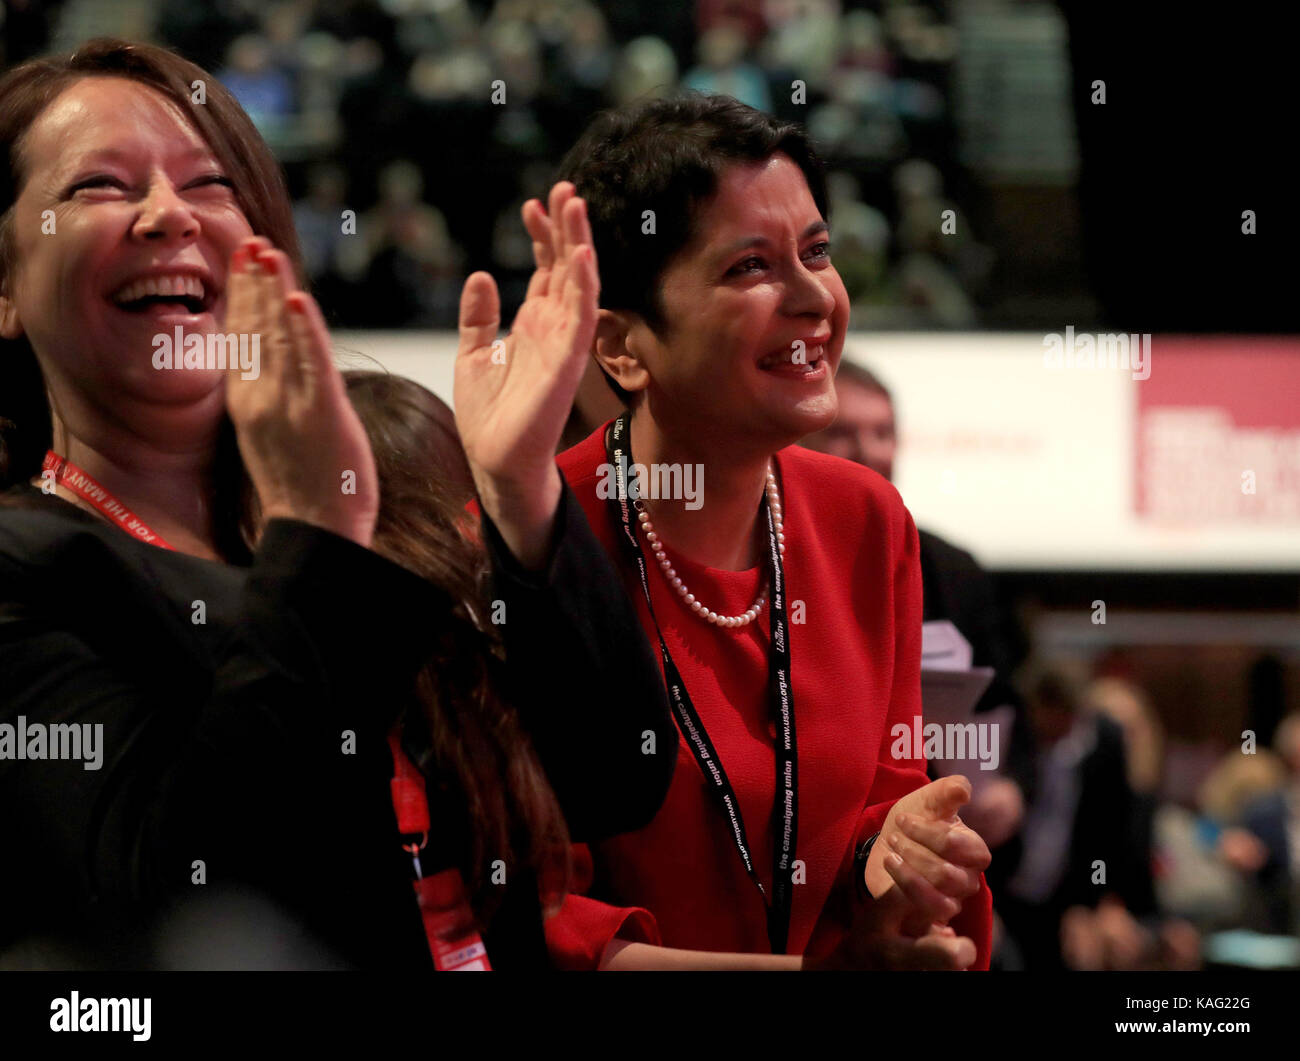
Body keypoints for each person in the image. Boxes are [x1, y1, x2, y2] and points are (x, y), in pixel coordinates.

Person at [0, 39, 674, 968]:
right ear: (5, 284)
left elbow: (614, 776)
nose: (168, 216)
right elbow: (172, 903)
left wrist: (522, 487)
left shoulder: (378, 482)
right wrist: (313, 537)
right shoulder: (25, 570)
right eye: (99, 187)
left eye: (209, 185)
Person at [541, 94, 994, 970]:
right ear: (623, 347)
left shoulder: (864, 517)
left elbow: (883, 804)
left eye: (816, 252)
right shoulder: (537, 535)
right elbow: (539, 926)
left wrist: (896, 854)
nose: (812, 296)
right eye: (751, 266)